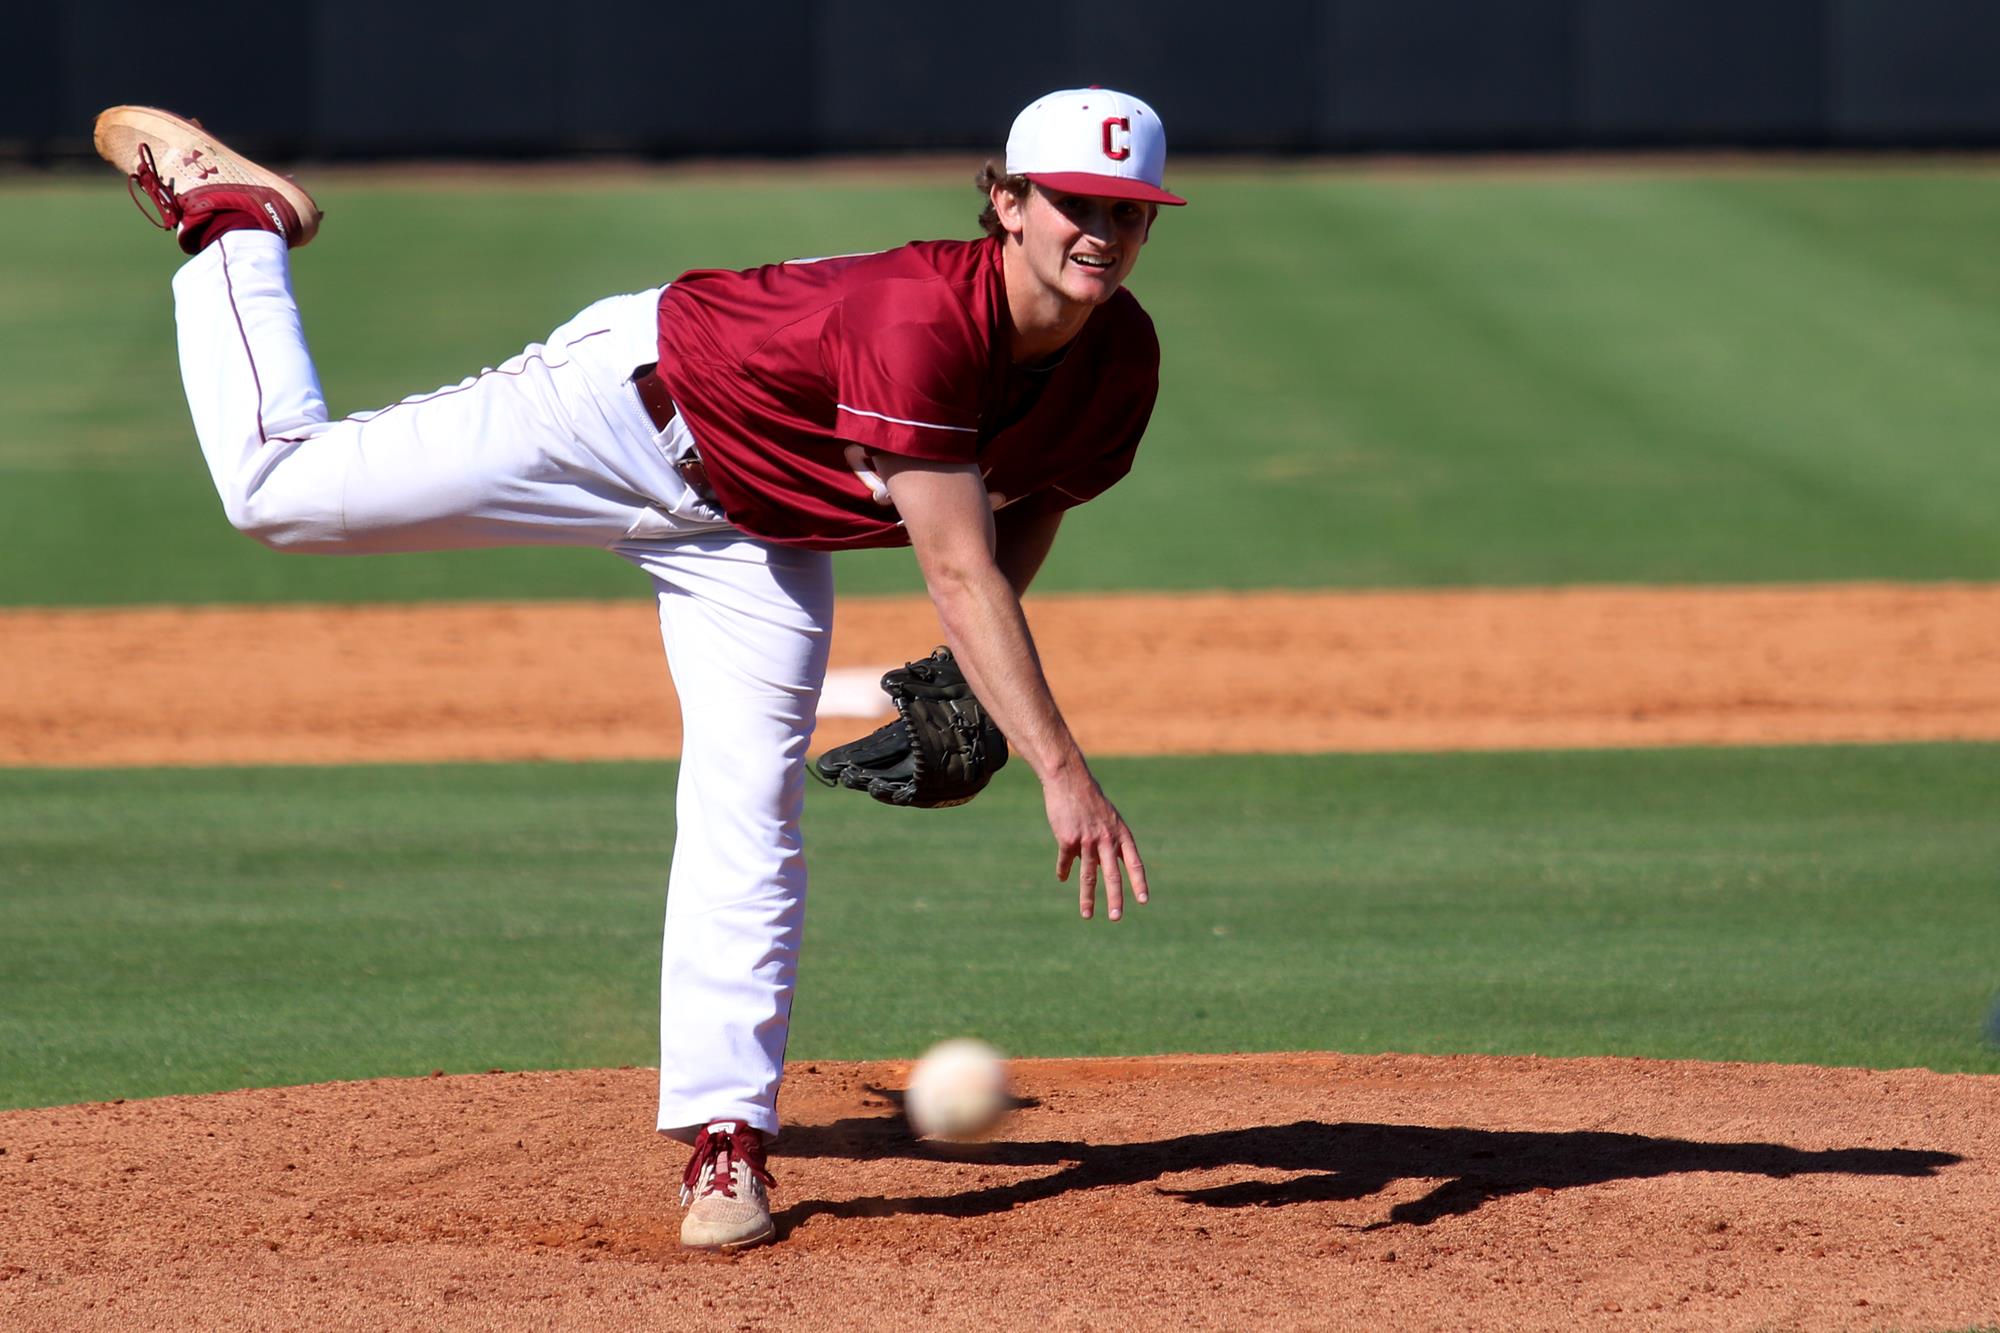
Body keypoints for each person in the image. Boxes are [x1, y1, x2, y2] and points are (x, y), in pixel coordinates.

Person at [93, 87, 1184, 1251]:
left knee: (748, 800)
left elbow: (1026, 504)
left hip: (753, 533)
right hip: (618, 414)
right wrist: (1058, 767)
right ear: (1006, 204)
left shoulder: (1118, 360)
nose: (1101, 234)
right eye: (1075, 203)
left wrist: (974, 688)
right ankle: (233, 224)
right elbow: (957, 575)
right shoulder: (922, 320)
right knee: (277, 493)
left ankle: (727, 1140)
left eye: (1129, 212)